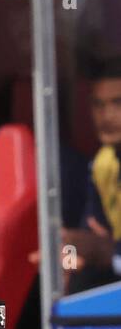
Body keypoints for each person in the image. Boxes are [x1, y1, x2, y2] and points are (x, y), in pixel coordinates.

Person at [62, 61, 121, 292]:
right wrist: (68, 255)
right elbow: (89, 237)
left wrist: (109, 252)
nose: (107, 116)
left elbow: (103, 249)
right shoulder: (102, 163)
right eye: (98, 105)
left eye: (118, 103)